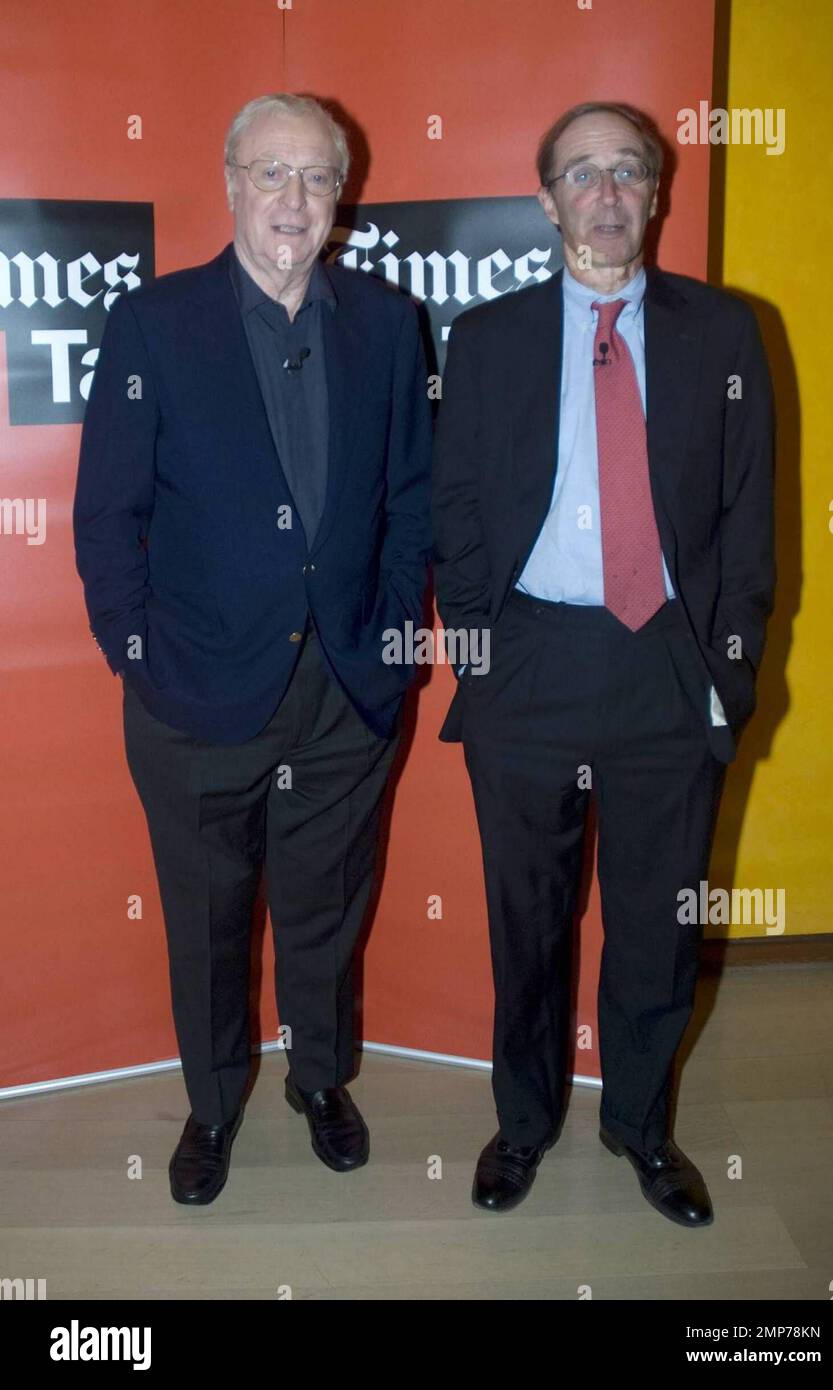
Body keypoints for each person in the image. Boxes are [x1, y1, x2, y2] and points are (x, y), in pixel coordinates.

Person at [73, 93, 431, 1205]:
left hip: (344, 689)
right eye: (270, 173)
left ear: (343, 196)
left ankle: (320, 1080)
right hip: (194, 691)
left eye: (316, 176)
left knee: (325, 906)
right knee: (209, 920)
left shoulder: (387, 323)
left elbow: (412, 496)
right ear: (227, 182)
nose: (293, 198)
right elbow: (105, 516)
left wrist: (388, 631)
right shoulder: (154, 325)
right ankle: (214, 1103)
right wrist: (139, 651)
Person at [432, 101, 775, 1223]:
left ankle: (638, 1126)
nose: (608, 192)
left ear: (656, 193)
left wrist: (722, 680)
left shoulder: (724, 336)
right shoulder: (484, 341)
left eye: (628, 170)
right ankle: (522, 1125)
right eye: (582, 173)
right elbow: (459, 515)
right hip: (530, 662)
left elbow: (746, 527)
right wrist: (484, 657)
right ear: (546, 199)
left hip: (664, 669)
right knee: (525, 922)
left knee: (657, 923)